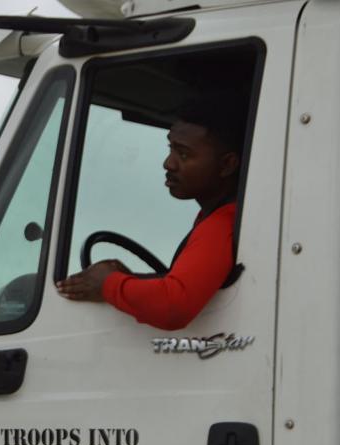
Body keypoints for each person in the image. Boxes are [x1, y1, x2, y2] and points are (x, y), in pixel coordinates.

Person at [56, 97, 244, 330]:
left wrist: (108, 284)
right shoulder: (217, 216)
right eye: (171, 148)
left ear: (227, 165)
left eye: (184, 154)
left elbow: (173, 305)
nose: (168, 163)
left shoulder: (221, 225)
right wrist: (133, 280)